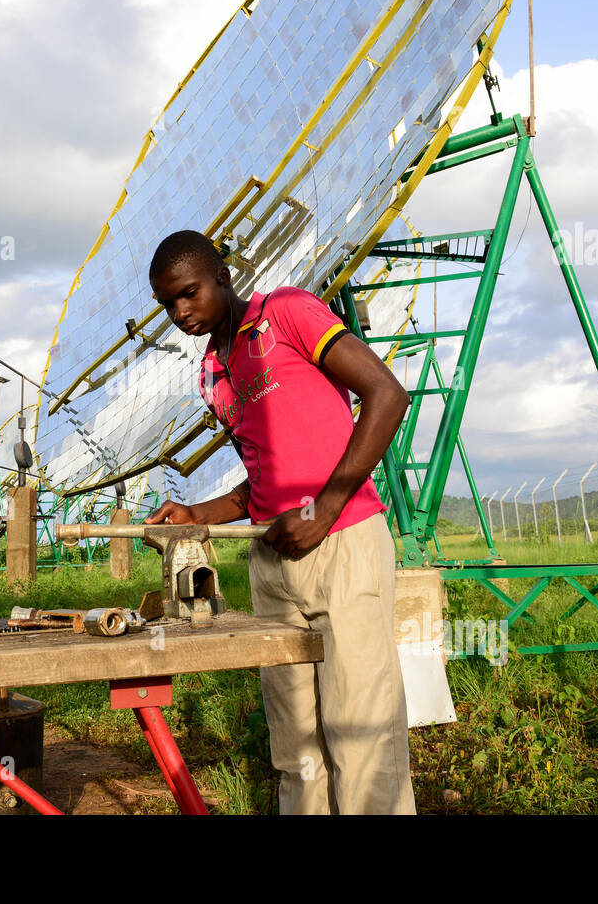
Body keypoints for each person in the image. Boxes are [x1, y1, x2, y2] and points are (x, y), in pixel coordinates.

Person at [143, 229, 416, 815]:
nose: (180, 312)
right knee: (295, 748)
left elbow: (387, 395)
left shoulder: (286, 313)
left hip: (342, 542)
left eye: (189, 293)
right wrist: (196, 515)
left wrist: (321, 511)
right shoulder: (214, 373)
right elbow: (262, 482)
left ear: (223, 277)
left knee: (361, 736)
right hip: (273, 562)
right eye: (167, 303)